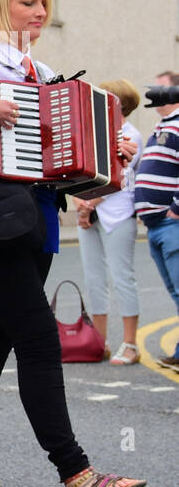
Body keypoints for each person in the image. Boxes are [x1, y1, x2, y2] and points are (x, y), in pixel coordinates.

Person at [0, 0, 145, 487]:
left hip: (33, 225)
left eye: (43, 3)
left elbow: (65, 155)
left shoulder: (43, 71)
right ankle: (76, 474)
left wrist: (111, 156)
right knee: (37, 338)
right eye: (27, 2)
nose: (39, 13)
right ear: (1, 5)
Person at [73, 79, 142, 365]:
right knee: (94, 279)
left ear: (118, 104)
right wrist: (79, 202)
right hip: (88, 213)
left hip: (118, 214)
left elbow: (121, 177)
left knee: (122, 277)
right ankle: (99, 343)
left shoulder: (130, 135)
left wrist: (88, 203)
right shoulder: (93, 131)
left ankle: (130, 345)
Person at [135, 71, 179, 369]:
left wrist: (176, 208)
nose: (154, 93)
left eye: (161, 88)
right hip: (156, 224)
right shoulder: (163, 126)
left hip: (171, 223)